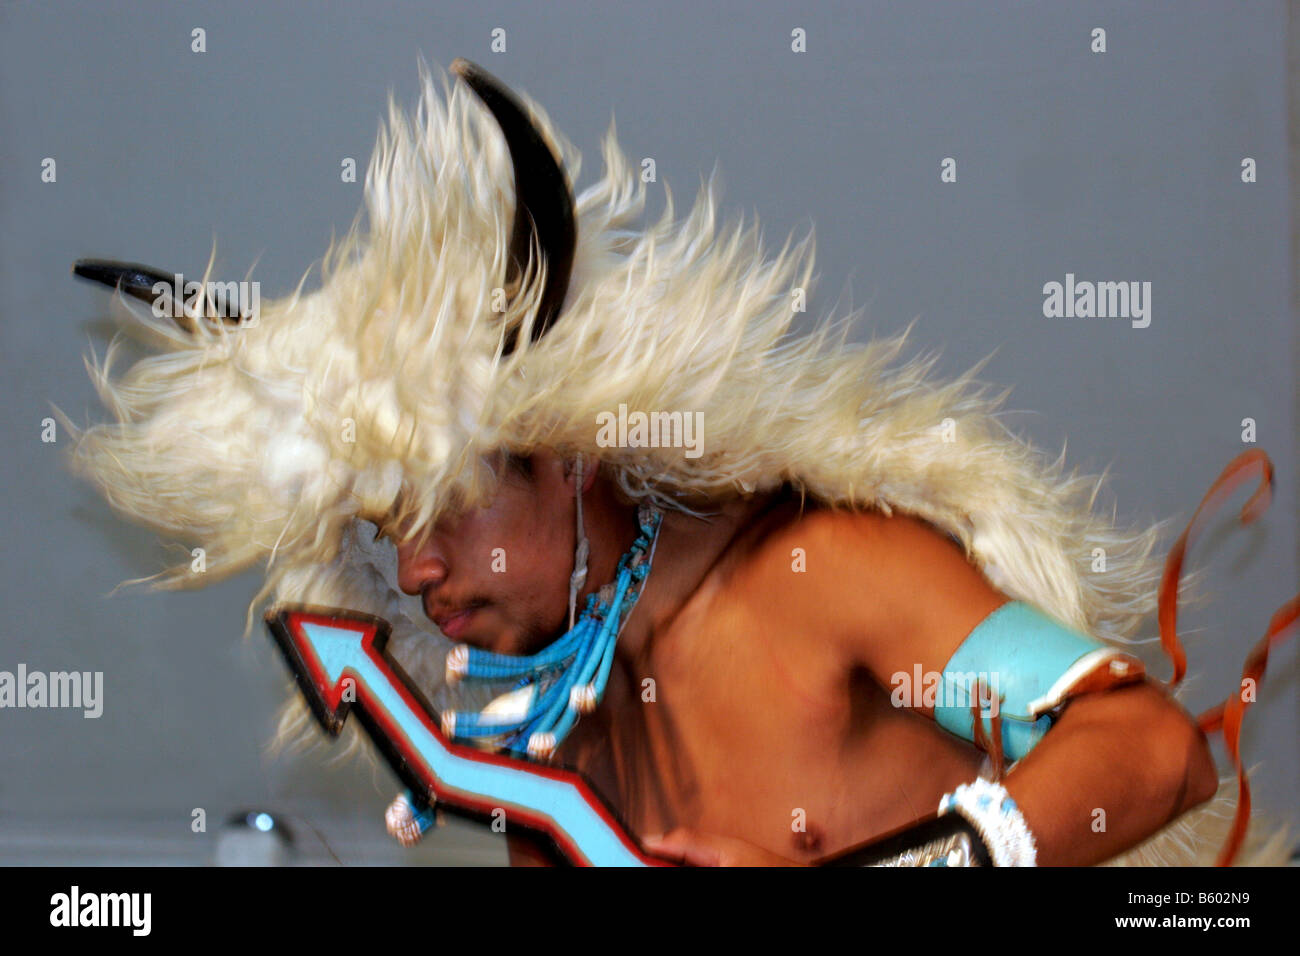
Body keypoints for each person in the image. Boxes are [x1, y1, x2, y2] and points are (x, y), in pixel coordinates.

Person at [62, 59, 1291, 866]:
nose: (416, 567)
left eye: (433, 509)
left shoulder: (820, 570)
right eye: (385, 538)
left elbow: (1145, 745)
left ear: (558, 454)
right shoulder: (548, 747)